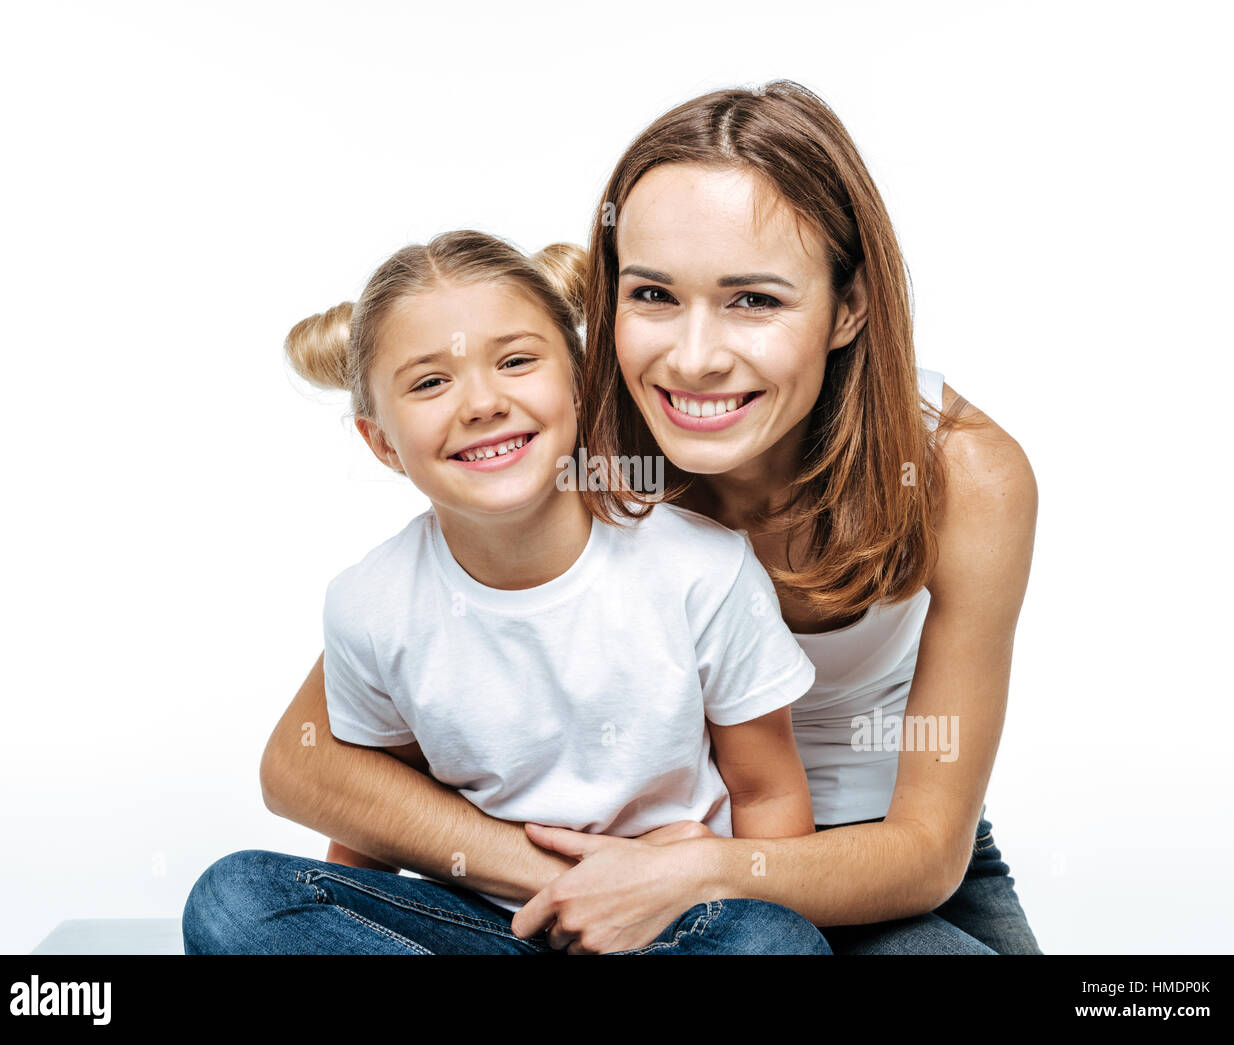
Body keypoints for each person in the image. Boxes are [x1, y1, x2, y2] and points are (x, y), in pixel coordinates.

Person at [251, 80, 1043, 955]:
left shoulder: (958, 472)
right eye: (654, 295)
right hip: (600, 858)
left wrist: (702, 872)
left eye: (756, 299)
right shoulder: (554, 440)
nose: (694, 360)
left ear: (848, 306)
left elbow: (928, 852)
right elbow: (307, 760)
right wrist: (559, 873)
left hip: (869, 857)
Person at [182, 228, 834, 954]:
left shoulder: (700, 570)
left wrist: (709, 880)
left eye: (517, 361)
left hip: (670, 921)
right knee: (237, 896)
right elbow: (372, 814)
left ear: (581, 383)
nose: (482, 402)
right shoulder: (371, 604)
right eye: (430, 382)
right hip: (490, 926)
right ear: (382, 442)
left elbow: (769, 797)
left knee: (773, 940)